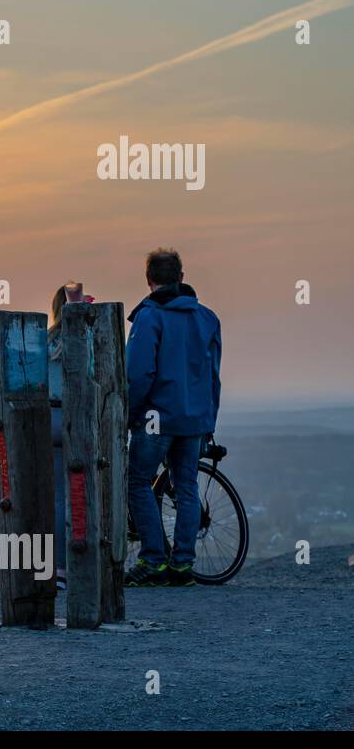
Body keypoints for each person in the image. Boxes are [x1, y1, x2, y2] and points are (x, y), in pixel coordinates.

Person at [124, 249, 222, 588]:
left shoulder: (149, 318)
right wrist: (210, 422)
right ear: (181, 277)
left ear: (149, 279)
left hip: (156, 419)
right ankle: (182, 565)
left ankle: (153, 560)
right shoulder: (207, 319)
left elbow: (138, 374)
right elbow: (213, 377)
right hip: (195, 420)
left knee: (137, 483)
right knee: (186, 486)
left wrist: (129, 413)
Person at [47, 281, 92, 585]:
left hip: (48, 419)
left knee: (57, 496)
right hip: (77, 418)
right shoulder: (86, 338)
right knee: (82, 492)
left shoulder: (44, 341)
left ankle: (57, 568)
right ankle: (78, 564)